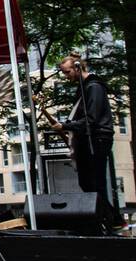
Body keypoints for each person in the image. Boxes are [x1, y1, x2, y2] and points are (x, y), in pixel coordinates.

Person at [45, 53, 122, 228]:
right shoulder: (83, 87)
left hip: (98, 138)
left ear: (78, 68)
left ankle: (112, 220)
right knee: (87, 181)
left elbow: (92, 118)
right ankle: (109, 218)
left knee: (95, 181)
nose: (66, 76)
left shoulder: (94, 87)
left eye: (67, 72)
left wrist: (65, 126)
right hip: (89, 139)